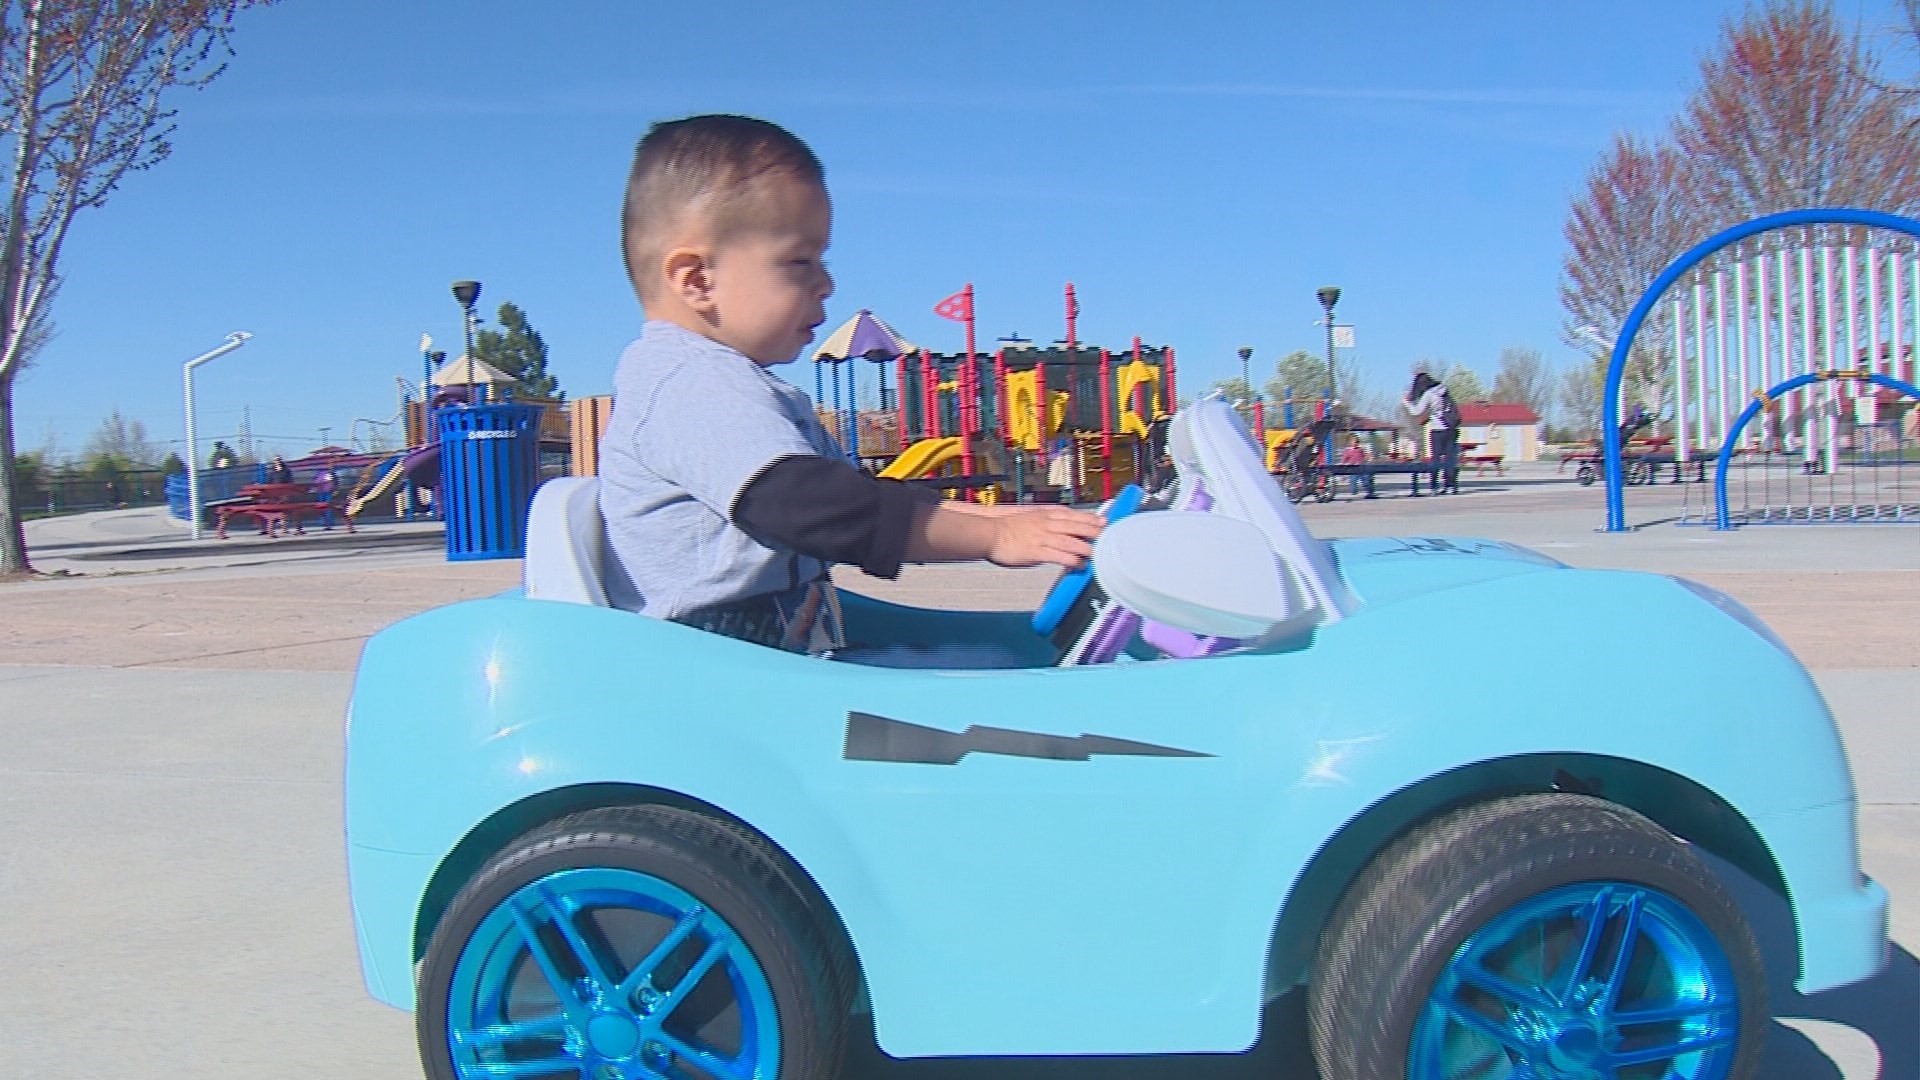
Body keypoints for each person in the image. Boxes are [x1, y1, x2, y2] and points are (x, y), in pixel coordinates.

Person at [599, 114, 1103, 653]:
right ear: (698, 280)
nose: (828, 282)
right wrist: (996, 538)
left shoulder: (726, 382)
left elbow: (866, 497)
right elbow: (810, 507)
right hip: (723, 670)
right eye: (799, 261)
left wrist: (1018, 520)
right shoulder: (690, 381)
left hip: (775, 652)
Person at [1403, 372, 1460, 495]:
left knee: (1436, 459)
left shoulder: (1429, 394)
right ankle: (1451, 485)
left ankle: (1434, 486)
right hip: (1451, 429)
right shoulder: (1444, 390)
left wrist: (1407, 402)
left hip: (1437, 430)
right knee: (1450, 458)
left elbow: (1416, 411)